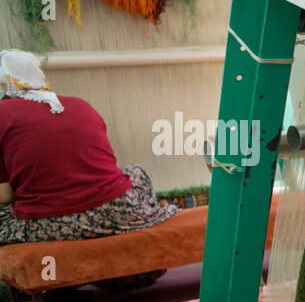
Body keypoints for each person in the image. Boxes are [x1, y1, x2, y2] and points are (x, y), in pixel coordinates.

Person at [0, 49, 176, 247]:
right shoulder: (81, 105)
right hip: (117, 211)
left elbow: (5, 195)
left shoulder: (3, 113)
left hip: (50, 224)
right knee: (135, 172)